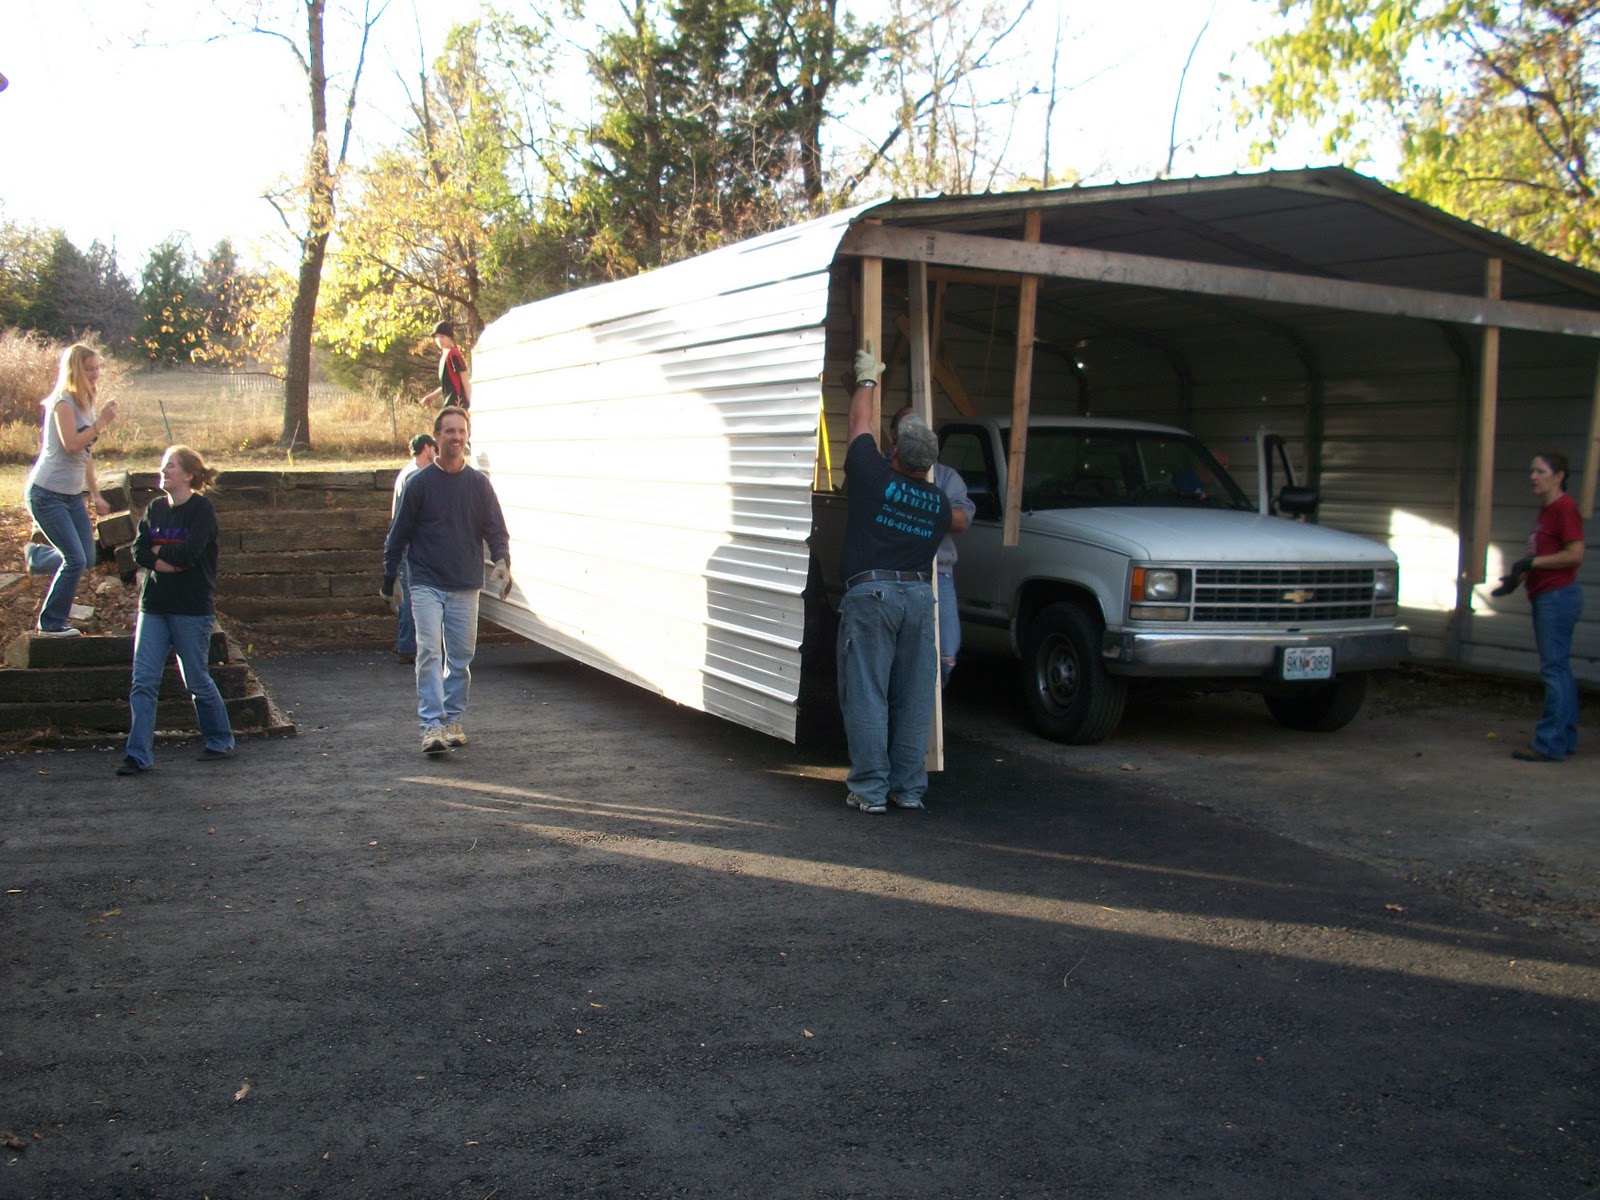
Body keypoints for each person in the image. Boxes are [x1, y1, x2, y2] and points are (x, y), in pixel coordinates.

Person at [837, 341, 952, 814]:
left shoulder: (873, 478)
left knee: (868, 693)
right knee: (913, 697)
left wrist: (868, 379)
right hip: (920, 599)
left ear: (896, 455)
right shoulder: (941, 506)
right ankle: (908, 790)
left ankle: (869, 791)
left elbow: (859, 424)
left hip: (873, 594)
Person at [382, 406, 512, 754]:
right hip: (426, 581)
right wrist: (390, 575)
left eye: (461, 431)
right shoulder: (419, 484)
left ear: (467, 437)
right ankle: (431, 726)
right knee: (428, 651)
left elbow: (496, 529)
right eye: (449, 431)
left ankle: (453, 720)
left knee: (460, 657)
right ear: (436, 437)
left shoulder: (478, 485)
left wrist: (502, 560)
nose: (456, 437)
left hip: (465, 583)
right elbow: (399, 534)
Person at [117, 446, 235, 775]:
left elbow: (190, 555)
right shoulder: (155, 509)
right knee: (143, 681)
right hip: (153, 607)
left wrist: (161, 556)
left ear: (188, 475)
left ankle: (220, 739)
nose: (163, 470)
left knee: (196, 679)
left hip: (191, 609)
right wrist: (164, 562)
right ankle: (138, 755)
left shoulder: (202, 511)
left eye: (170, 466)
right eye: (163, 465)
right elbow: (139, 551)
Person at [1493, 451, 1585, 762]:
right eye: (1531, 470)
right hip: (1548, 595)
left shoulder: (1564, 508)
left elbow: (1574, 555)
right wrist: (1516, 579)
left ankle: (1549, 743)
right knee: (1559, 668)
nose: (1533, 476)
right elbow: (1544, 555)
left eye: (1541, 471)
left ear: (1559, 476)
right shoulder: (1547, 510)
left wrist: (1533, 562)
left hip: (1557, 596)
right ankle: (1564, 738)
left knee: (1553, 669)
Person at [25, 343, 117, 636]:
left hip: (72, 495)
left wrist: (95, 493)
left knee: (87, 556)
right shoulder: (62, 403)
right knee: (75, 559)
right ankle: (51, 623)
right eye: (89, 369)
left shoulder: (84, 402)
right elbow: (72, 444)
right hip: (46, 493)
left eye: (97, 368)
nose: (95, 374)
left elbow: (84, 454)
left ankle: (38, 557)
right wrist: (102, 421)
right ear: (75, 370)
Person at [889, 404, 973, 686]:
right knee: (898, 655)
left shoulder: (946, 477)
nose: (915, 434)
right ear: (894, 437)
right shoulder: (881, 473)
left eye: (920, 429)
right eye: (906, 429)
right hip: (894, 572)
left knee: (946, 654)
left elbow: (961, 520)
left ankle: (926, 712)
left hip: (939, 572)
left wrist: (920, 505)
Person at [391, 432, 438, 662]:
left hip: (404, 540)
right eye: (433, 448)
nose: (435, 453)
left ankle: (405, 642)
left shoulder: (405, 472)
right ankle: (408, 646)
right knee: (412, 596)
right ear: (426, 448)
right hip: (411, 542)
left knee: (408, 594)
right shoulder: (416, 476)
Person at [420, 320, 471, 410]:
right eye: (436, 337)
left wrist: (470, 403)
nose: (439, 340)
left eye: (442, 337)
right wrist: (431, 397)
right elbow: (447, 385)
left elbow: (464, 378)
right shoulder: (444, 357)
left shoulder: (453, 354)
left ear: (450, 338)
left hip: (458, 405)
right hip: (450, 405)